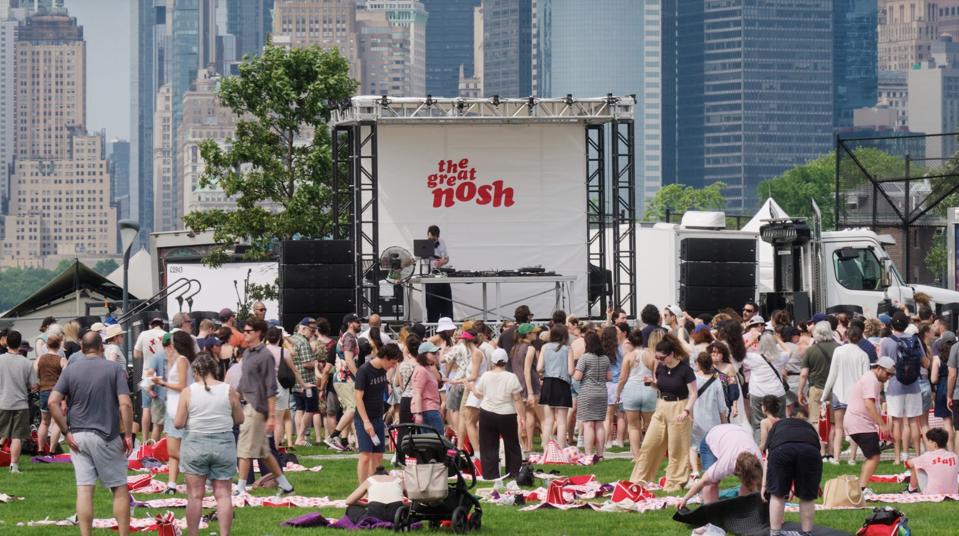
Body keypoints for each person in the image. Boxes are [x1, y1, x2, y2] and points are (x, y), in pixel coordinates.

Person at [48, 331, 134, 536]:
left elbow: (52, 402)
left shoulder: (70, 370)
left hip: (77, 436)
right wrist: (128, 434)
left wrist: (66, 431)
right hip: (106, 434)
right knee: (119, 488)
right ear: (101, 347)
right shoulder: (114, 369)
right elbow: (125, 404)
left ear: (81, 348)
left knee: (84, 489)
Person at [174, 352, 244, 536]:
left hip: (195, 444)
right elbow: (240, 418)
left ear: (196, 371)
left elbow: (179, 423)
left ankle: (193, 534)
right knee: (223, 494)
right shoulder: (228, 390)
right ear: (215, 370)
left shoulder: (188, 391)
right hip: (223, 444)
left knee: (195, 496)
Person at [629, 334, 698, 491]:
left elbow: (694, 394)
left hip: (679, 407)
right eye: (657, 358)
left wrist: (686, 411)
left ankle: (675, 482)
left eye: (662, 358)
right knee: (649, 444)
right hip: (661, 406)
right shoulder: (661, 368)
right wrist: (652, 383)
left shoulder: (685, 370)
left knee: (677, 449)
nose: (659, 361)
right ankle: (639, 480)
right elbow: (661, 386)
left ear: (671, 354)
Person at [235, 318, 295, 495]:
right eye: (244, 331)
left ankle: (240, 488)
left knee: (244, 449)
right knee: (264, 452)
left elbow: (270, 386)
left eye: (248, 331)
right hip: (247, 404)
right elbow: (243, 382)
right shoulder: (247, 353)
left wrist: (271, 416)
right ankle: (286, 486)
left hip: (257, 407)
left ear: (258, 333)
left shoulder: (265, 355)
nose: (245, 334)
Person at [764, 408, 823, 536]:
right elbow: (816, 452)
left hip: (781, 450)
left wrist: (765, 486)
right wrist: (815, 483)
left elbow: (768, 459)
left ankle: (775, 533)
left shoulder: (778, 425)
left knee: (777, 494)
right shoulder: (809, 427)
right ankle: (807, 533)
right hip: (810, 451)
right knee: (807, 497)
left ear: (789, 417)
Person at [152, 331, 196, 494]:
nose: (168, 346)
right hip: (172, 408)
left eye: (170, 342)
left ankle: (198, 472)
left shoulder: (182, 360)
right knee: (172, 451)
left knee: (177, 450)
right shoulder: (174, 360)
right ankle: (171, 484)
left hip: (180, 409)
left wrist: (162, 383)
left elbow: (183, 386)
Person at [821, 322, 871, 464]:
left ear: (846, 336)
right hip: (855, 396)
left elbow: (832, 374)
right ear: (860, 337)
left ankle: (836, 458)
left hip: (839, 393)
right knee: (854, 428)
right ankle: (852, 458)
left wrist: (824, 395)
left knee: (838, 428)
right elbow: (865, 379)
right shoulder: (863, 355)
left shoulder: (839, 351)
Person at [678, 424, 762, 508]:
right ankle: (711, 512)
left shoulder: (759, 461)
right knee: (711, 484)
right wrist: (685, 499)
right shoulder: (726, 463)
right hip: (712, 437)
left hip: (736, 432)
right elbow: (703, 481)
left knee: (749, 483)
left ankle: (744, 509)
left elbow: (761, 484)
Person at [845, 356, 896, 494]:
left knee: (872, 456)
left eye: (891, 375)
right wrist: (882, 425)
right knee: (874, 456)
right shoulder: (871, 380)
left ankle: (861, 487)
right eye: (888, 373)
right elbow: (869, 404)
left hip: (858, 422)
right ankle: (862, 488)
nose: (889, 377)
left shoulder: (870, 378)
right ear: (879, 368)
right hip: (860, 422)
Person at [881, 311, 927, 464]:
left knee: (897, 422)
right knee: (914, 422)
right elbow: (925, 363)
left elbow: (883, 365)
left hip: (895, 386)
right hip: (914, 385)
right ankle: (917, 454)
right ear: (907, 324)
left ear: (891, 325)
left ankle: (898, 457)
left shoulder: (886, 342)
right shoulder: (915, 340)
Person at [353, 341, 402, 483]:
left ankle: (374, 486)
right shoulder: (364, 371)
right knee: (365, 455)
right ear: (385, 357)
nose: (393, 366)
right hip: (364, 418)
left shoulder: (383, 370)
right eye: (393, 362)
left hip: (378, 417)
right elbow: (358, 397)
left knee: (378, 455)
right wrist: (366, 422)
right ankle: (362, 489)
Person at [474, 348, 526, 480]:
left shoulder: (486, 376)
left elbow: (479, 393)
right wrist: (522, 416)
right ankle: (513, 472)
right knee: (512, 444)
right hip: (506, 413)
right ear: (506, 361)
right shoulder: (511, 377)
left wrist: (471, 388)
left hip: (487, 412)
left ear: (492, 362)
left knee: (488, 444)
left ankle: (490, 474)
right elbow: (517, 398)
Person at [616, 329, 658, 458]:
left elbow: (622, 378)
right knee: (649, 425)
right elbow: (656, 377)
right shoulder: (652, 355)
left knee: (633, 426)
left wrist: (618, 393)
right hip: (648, 389)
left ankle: (636, 456)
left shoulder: (628, 356)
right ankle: (648, 455)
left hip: (631, 389)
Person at [0, 330, 39, 472]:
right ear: (19, 344)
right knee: (17, 436)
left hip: (2, 401)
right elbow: (33, 386)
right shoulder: (26, 363)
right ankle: (14, 466)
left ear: (6, 342)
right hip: (20, 403)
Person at [798, 320, 839, 453]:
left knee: (816, 420)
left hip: (816, 389)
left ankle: (821, 450)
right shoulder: (839, 348)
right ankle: (832, 450)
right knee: (833, 422)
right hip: (835, 390)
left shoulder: (811, 350)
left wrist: (800, 391)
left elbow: (804, 374)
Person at [742, 333, 788, 440]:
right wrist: (778, 340)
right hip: (777, 393)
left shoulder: (753, 357)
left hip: (758, 393)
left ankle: (760, 445)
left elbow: (738, 354)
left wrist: (751, 341)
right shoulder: (780, 357)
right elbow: (788, 351)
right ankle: (780, 442)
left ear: (759, 344)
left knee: (758, 424)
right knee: (780, 421)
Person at [326, 314, 362, 452]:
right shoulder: (349, 338)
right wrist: (359, 376)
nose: (359, 324)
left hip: (343, 378)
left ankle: (344, 441)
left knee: (349, 410)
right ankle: (333, 437)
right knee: (353, 408)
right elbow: (348, 360)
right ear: (349, 323)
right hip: (345, 378)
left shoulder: (348, 337)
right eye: (357, 322)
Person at [573, 331, 611, 460]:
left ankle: (589, 454)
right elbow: (609, 377)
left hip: (587, 392)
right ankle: (600, 454)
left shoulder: (585, 357)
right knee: (599, 424)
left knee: (588, 424)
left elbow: (577, 377)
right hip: (602, 393)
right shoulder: (605, 358)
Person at [691, 352, 729, 475]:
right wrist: (724, 422)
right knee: (711, 447)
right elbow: (722, 405)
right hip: (712, 420)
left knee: (693, 446)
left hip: (695, 417)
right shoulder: (717, 380)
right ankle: (711, 471)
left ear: (698, 363)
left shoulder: (693, 378)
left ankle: (695, 471)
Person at [537, 324, 574, 448]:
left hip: (548, 383)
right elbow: (570, 371)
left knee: (548, 420)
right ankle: (561, 447)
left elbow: (539, 368)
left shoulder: (545, 347)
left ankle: (546, 447)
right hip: (562, 384)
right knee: (561, 420)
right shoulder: (567, 349)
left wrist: (547, 370)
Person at [134, 317, 167, 443]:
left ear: (150, 325)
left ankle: (145, 440)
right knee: (160, 412)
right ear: (162, 325)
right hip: (161, 377)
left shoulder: (143, 334)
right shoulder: (166, 335)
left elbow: (136, 354)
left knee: (146, 408)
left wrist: (146, 355)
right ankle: (156, 441)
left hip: (147, 375)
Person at [509, 323, 541, 452]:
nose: (536, 334)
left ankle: (522, 446)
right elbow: (527, 371)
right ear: (528, 334)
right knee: (531, 414)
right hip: (529, 384)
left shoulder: (514, 348)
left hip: (516, 384)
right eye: (534, 332)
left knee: (520, 417)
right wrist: (531, 392)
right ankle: (529, 446)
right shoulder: (530, 348)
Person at [290, 318, 320, 447]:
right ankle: (301, 437)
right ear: (302, 328)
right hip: (307, 382)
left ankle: (299, 436)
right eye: (311, 330)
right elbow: (307, 363)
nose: (313, 333)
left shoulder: (291, 339)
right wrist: (317, 364)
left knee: (299, 409)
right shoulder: (303, 342)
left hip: (296, 382)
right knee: (310, 409)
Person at [36, 335, 67, 455]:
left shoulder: (40, 359)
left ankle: (40, 449)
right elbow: (66, 378)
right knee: (57, 422)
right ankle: (52, 451)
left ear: (47, 345)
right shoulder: (62, 360)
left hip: (44, 391)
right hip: (57, 393)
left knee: (44, 422)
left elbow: (35, 375)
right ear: (59, 346)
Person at [905, 427, 958, 495]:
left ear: (935, 444)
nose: (927, 444)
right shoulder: (954, 456)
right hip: (953, 492)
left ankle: (911, 490)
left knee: (916, 464)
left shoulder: (927, 456)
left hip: (932, 492)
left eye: (928, 441)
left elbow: (908, 464)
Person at [410, 341, 443, 434]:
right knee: (435, 439)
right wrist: (418, 414)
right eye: (433, 353)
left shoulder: (426, 369)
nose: (436, 355)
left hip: (431, 409)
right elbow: (418, 393)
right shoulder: (422, 370)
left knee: (434, 439)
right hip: (427, 410)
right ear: (424, 355)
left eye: (436, 353)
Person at [933, 332, 956, 451]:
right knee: (956, 423)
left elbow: (933, 379)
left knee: (947, 422)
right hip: (956, 387)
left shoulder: (937, 359)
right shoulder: (956, 355)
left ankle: (951, 450)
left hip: (942, 388)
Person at [424, 225, 453, 321]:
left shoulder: (442, 242)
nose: (432, 241)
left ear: (438, 236)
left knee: (446, 303)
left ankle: (448, 325)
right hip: (430, 277)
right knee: (432, 305)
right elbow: (414, 259)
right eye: (430, 238)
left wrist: (443, 262)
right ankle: (433, 326)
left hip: (442, 276)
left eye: (434, 239)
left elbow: (447, 258)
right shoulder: (423, 244)